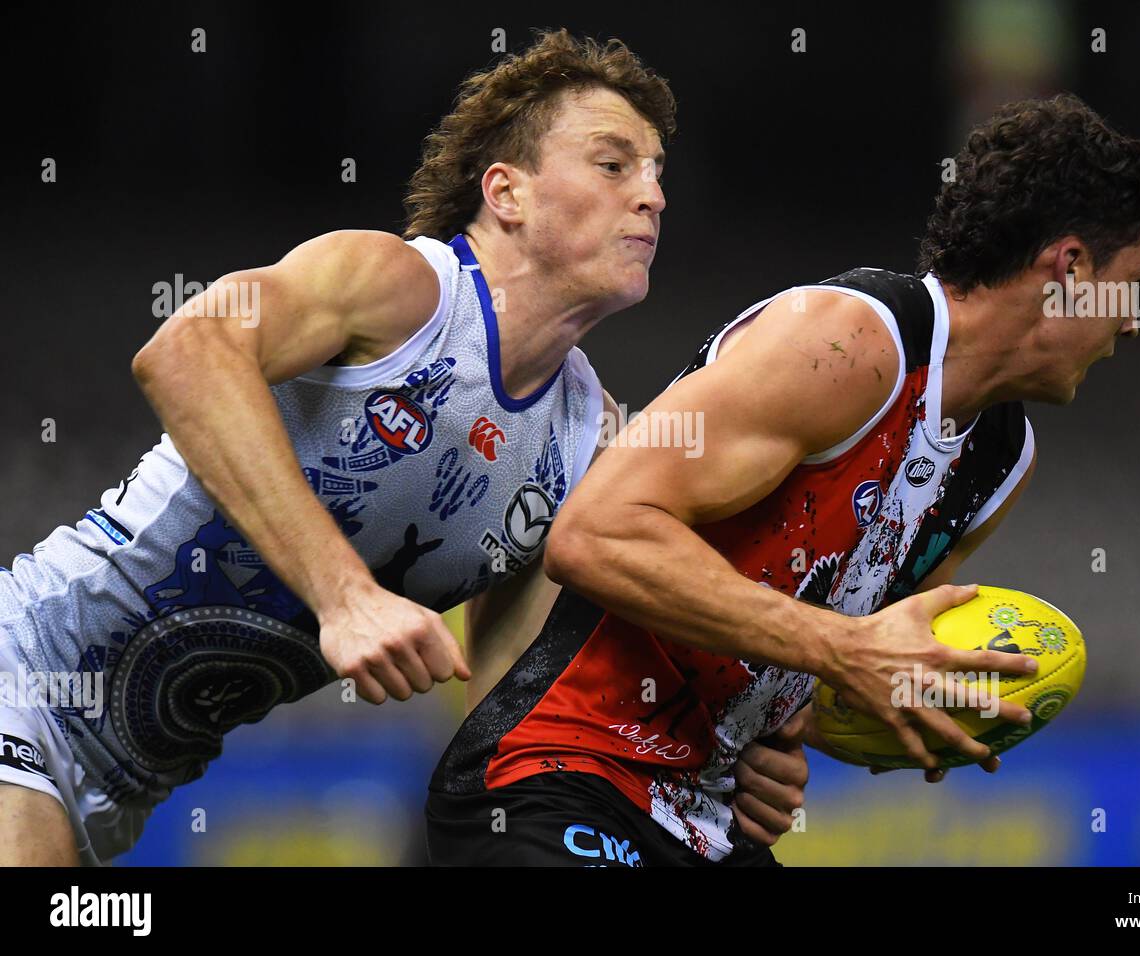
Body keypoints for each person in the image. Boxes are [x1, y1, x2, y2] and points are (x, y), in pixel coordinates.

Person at [0, 29, 805, 866]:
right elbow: (183, 351)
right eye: (614, 164)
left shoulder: (585, 445)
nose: (653, 196)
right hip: (21, 675)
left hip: (124, 798)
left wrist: (719, 758)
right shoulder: (397, 287)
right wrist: (345, 594)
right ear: (507, 192)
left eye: (657, 173)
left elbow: (510, 717)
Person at [424, 93, 1140, 866]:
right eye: (1136, 284)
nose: (1133, 321)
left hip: (710, 820)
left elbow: (845, 671)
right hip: (561, 777)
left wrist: (804, 733)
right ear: (1070, 265)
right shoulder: (847, 341)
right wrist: (840, 651)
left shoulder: (999, 462)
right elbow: (594, 535)